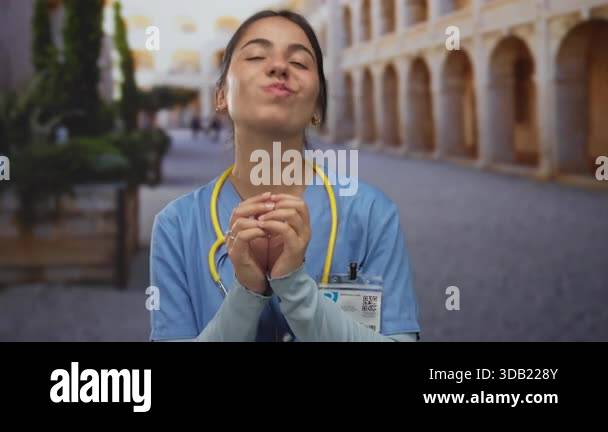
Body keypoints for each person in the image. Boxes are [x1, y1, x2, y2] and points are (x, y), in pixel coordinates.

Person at [149, 10, 420, 342]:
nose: (279, 67)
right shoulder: (176, 226)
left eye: (300, 63)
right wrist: (246, 293)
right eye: (256, 55)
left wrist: (294, 286)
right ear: (221, 95)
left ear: (317, 107)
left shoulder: (372, 214)